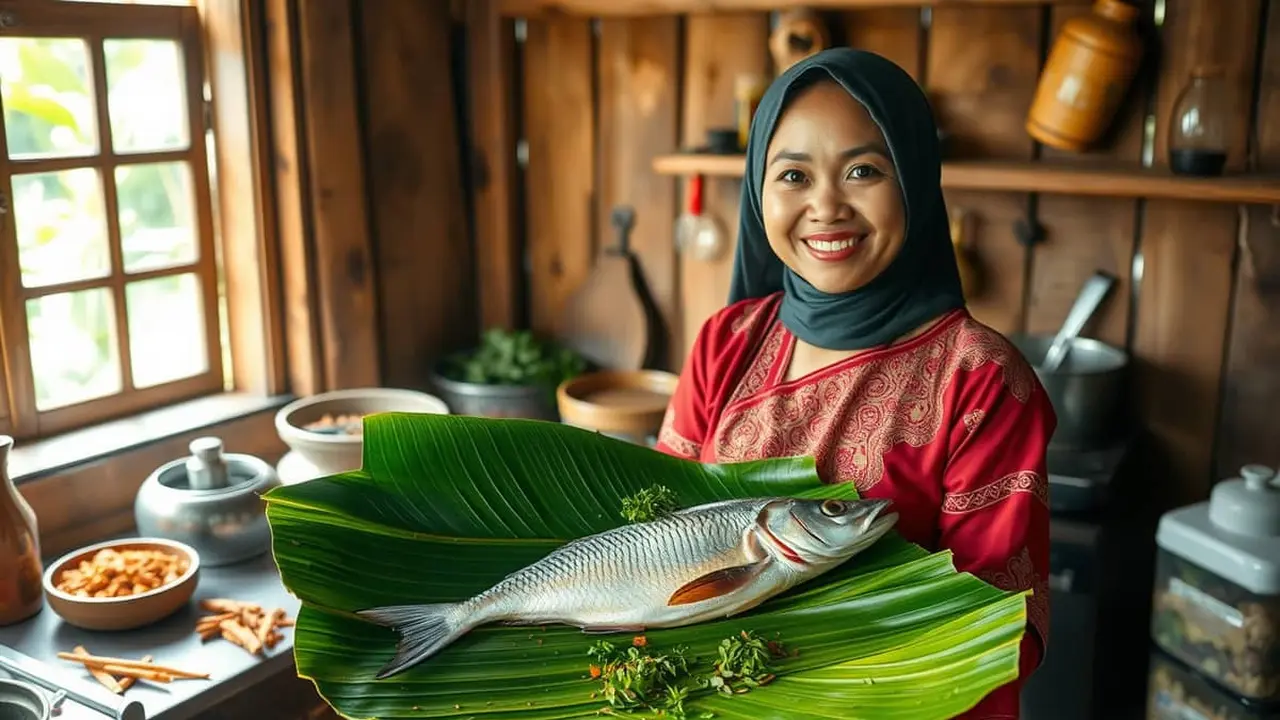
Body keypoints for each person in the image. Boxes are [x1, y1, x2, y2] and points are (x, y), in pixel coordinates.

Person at [654, 47, 1055, 718]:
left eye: (864, 170)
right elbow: (662, 536)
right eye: (792, 175)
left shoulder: (979, 381)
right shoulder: (726, 343)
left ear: (916, 182)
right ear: (758, 191)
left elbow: (988, 631)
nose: (826, 206)